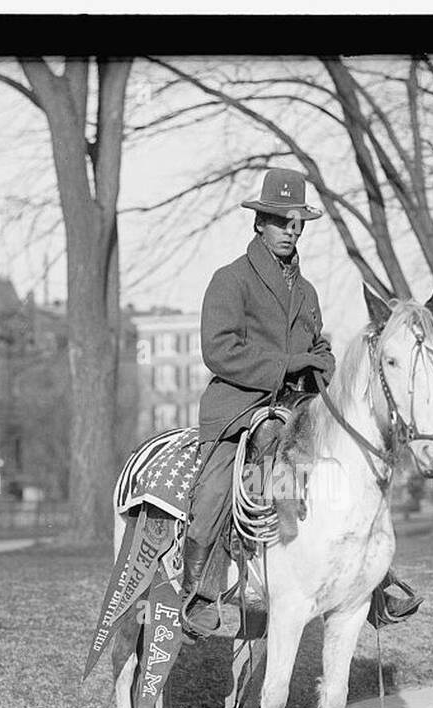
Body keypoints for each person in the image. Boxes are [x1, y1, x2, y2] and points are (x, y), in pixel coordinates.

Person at [180, 167, 420, 637]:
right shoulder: (230, 280)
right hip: (240, 406)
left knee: (353, 464)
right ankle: (201, 590)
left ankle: (373, 581)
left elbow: (317, 346)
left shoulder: (306, 291)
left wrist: (326, 365)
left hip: (300, 405)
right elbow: (220, 349)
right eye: (281, 221)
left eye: (297, 224)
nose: (291, 231)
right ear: (260, 223)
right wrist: (291, 363)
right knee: (215, 485)